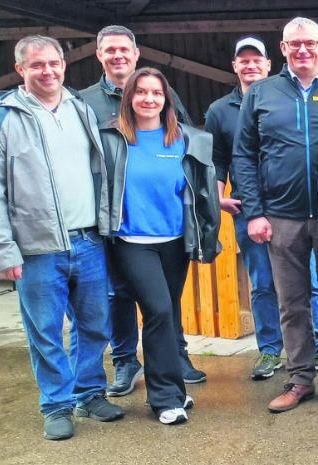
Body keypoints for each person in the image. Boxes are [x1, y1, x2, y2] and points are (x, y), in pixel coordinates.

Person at [0, 35, 123, 440]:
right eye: (37, 65)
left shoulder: (80, 110)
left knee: (94, 326)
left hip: (88, 240)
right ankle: (56, 404)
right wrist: (2, 251)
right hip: (37, 248)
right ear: (20, 69)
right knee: (46, 331)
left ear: (64, 65)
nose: (47, 71)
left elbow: (100, 173)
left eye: (54, 63)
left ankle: (90, 392)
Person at [232, 17, 318, 413]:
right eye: (294, 44)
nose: (302, 50)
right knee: (292, 301)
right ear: (282, 50)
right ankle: (300, 378)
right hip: (281, 217)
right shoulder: (262, 93)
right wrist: (254, 212)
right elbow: (244, 156)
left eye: (310, 44)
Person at [79, 24, 203, 395]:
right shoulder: (84, 104)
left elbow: (189, 161)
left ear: (135, 54)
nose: (149, 99)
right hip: (124, 232)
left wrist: (210, 199)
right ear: (99, 55)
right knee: (134, 301)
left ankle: (172, 361)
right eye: (110, 50)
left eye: (124, 49)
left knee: (163, 306)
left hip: (171, 235)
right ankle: (127, 362)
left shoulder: (174, 124)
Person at [98, 67, 221, 425]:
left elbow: (201, 194)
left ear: (166, 98)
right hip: (132, 243)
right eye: (141, 92)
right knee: (158, 312)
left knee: (167, 315)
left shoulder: (184, 139)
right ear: (129, 98)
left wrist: (207, 237)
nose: (148, 99)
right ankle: (165, 398)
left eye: (156, 92)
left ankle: (174, 392)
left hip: (173, 244)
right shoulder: (112, 138)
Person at [205, 35, 318, 381]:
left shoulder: (287, 99)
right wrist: (218, 196)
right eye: (242, 60)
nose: (250, 65)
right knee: (262, 282)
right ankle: (270, 349)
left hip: (293, 207)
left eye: (255, 60)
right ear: (235, 66)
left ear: (268, 63)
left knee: (312, 281)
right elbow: (218, 159)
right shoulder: (219, 111)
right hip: (252, 209)